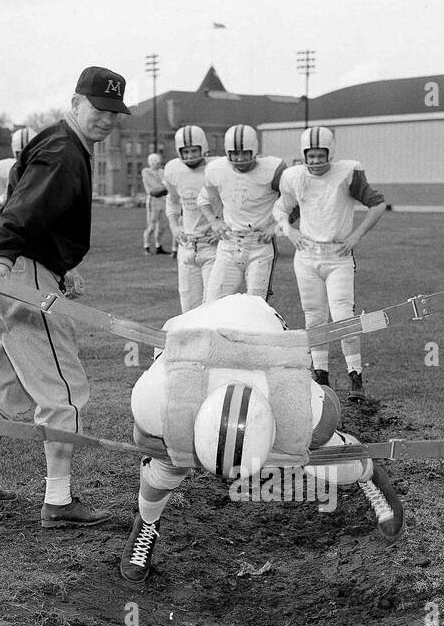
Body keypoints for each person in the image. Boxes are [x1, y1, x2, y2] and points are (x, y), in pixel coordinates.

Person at [116, 295, 405, 585]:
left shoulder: (299, 407)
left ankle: (368, 472)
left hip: (259, 323)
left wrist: (296, 445)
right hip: (186, 335)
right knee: (168, 461)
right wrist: (173, 454)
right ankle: (147, 522)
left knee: (315, 452)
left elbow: (328, 402)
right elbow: (147, 441)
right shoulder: (156, 401)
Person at [0, 65, 130, 529]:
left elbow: (37, 211)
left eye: (115, 112)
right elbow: (23, 211)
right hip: (16, 274)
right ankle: (59, 500)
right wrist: (4, 262)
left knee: (6, 383)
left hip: (18, 269)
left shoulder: (61, 143)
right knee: (63, 389)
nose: (107, 119)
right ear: (75, 104)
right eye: (98, 108)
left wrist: (60, 268)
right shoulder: (64, 151)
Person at [273, 126, 386, 401]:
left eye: (319, 155)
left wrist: (356, 235)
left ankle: (355, 376)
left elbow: (378, 204)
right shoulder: (294, 177)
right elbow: (281, 208)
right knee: (314, 317)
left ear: (330, 153)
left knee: (343, 317)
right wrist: (290, 231)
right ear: (303, 155)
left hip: (337, 257)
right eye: (309, 156)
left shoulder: (347, 173)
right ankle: (320, 375)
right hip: (307, 256)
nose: (314, 161)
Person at [197, 125, 286, 302]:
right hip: (228, 244)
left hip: (259, 245)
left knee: (257, 306)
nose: (239, 158)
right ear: (227, 152)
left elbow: (293, 203)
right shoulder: (216, 170)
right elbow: (203, 199)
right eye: (234, 154)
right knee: (212, 302)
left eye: (244, 153)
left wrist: (275, 227)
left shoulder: (274, 169)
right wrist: (215, 221)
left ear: (254, 150)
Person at [163, 124, 219, 312]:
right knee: (188, 306)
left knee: (212, 304)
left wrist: (223, 226)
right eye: (184, 151)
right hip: (187, 246)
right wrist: (174, 226)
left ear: (203, 148)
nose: (189, 156)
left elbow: (234, 203)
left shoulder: (217, 167)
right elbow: (172, 201)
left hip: (213, 246)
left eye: (193, 150)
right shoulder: (173, 169)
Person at [0, 126, 34, 216]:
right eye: (21, 154)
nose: (25, 159)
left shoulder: (46, 167)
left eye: (29, 153)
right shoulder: (1, 169)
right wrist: (3, 199)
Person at [141, 152, 171, 255]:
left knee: (162, 226)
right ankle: (146, 246)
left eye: (159, 162)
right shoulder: (146, 171)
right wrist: (163, 186)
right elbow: (154, 188)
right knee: (151, 225)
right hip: (153, 200)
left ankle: (159, 246)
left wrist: (163, 186)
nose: (158, 164)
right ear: (151, 163)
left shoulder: (162, 171)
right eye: (156, 162)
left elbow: (167, 184)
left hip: (163, 200)